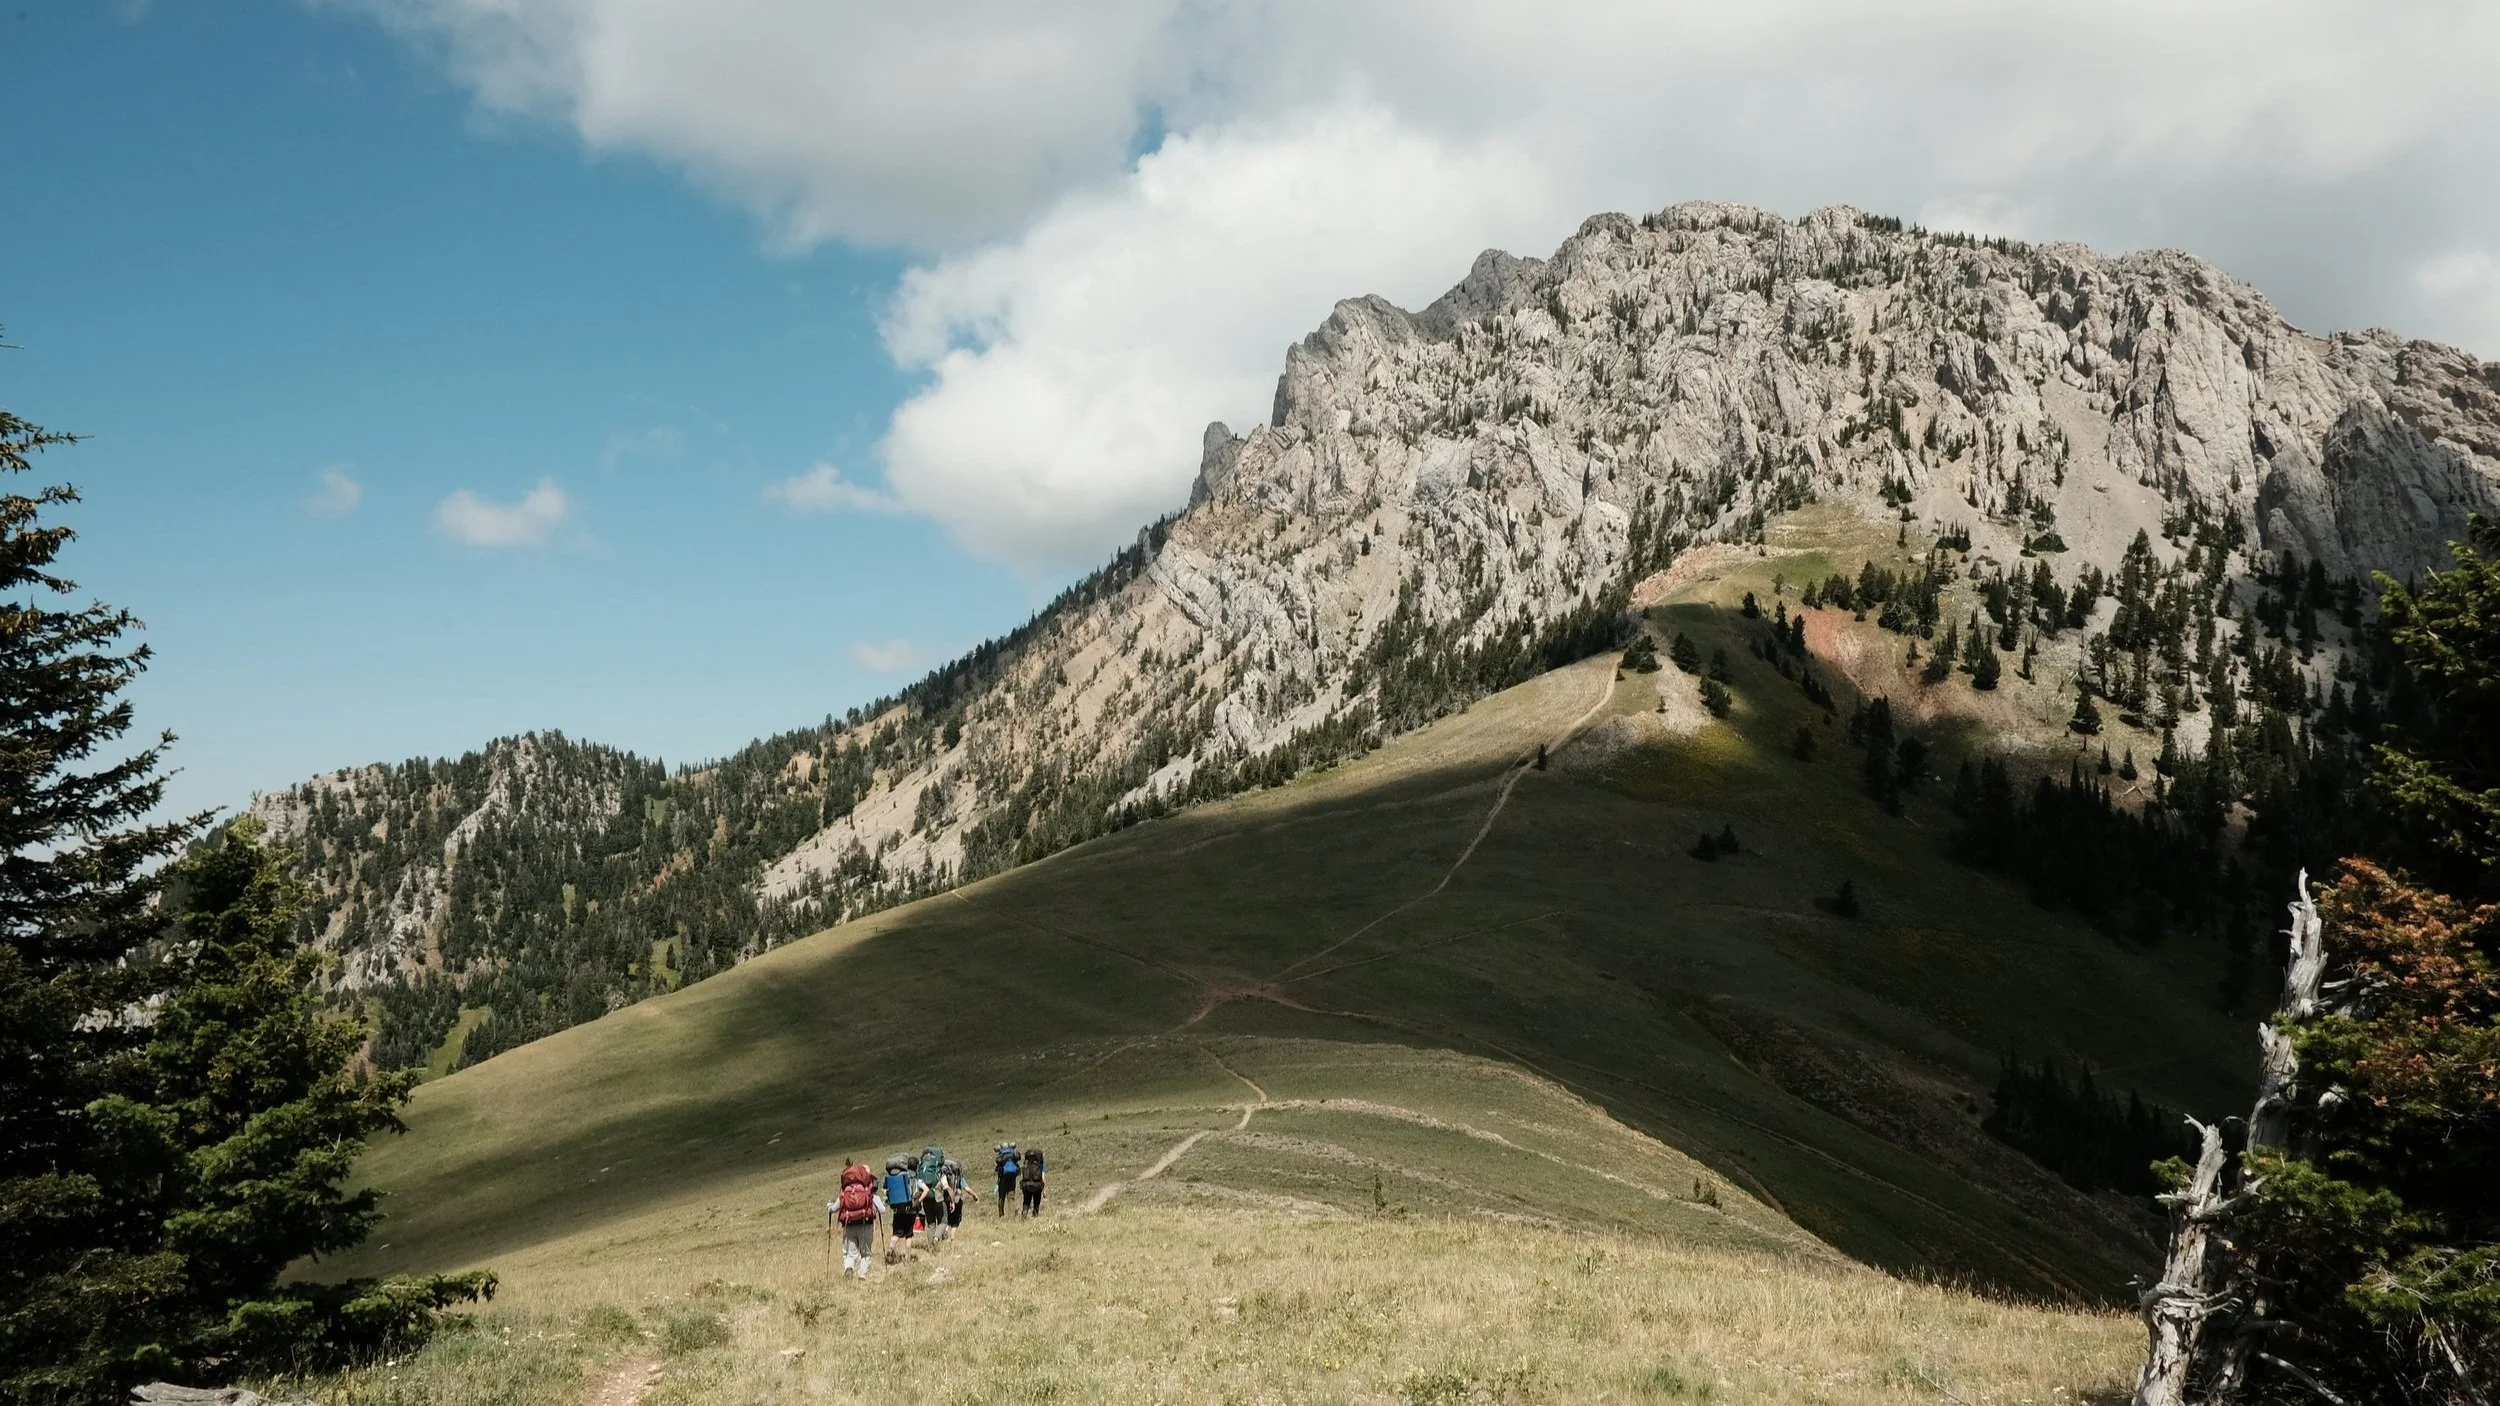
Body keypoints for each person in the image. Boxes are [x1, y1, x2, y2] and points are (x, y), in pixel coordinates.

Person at [833, 1158, 878, 1280]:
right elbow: (882, 1209)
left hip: (849, 1224)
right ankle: (862, 1275)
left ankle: (849, 1268)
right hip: (865, 1223)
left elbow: (834, 1208)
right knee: (866, 1254)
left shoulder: (846, 1190)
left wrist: (830, 1207)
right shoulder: (868, 1191)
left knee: (850, 1254)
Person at [882, 1154, 921, 1263]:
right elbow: (916, 1192)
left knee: (896, 1233)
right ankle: (907, 1258)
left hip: (897, 1210)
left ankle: (890, 1248)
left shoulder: (890, 1177)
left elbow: (885, 1191)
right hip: (910, 1210)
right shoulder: (910, 1176)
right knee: (908, 1234)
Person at [939, 1156, 967, 1242]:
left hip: (944, 1199)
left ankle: (945, 1231)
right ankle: (952, 1238)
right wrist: (975, 1195)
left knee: (945, 1218)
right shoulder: (959, 1177)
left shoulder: (943, 1176)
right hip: (956, 1199)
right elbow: (966, 1188)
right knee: (955, 1222)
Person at [1019, 1145, 1046, 1218]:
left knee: (1026, 1201)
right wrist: (1044, 1189)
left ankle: (1024, 1212)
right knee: (1036, 1201)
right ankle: (1035, 1214)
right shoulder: (1040, 1165)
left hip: (1026, 1185)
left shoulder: (1025, 1164)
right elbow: (1043, 1176)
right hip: (1037, 1185)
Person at [994, 1142, 1020, 1217]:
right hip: (1012, 1178)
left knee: (1002, 1197)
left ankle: (1001, 1214)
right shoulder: (1013, 1154)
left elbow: (997, 1167)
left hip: (1002, 1179)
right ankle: (1011, 1216)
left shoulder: (1001, 1155)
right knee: (1011, 1197)